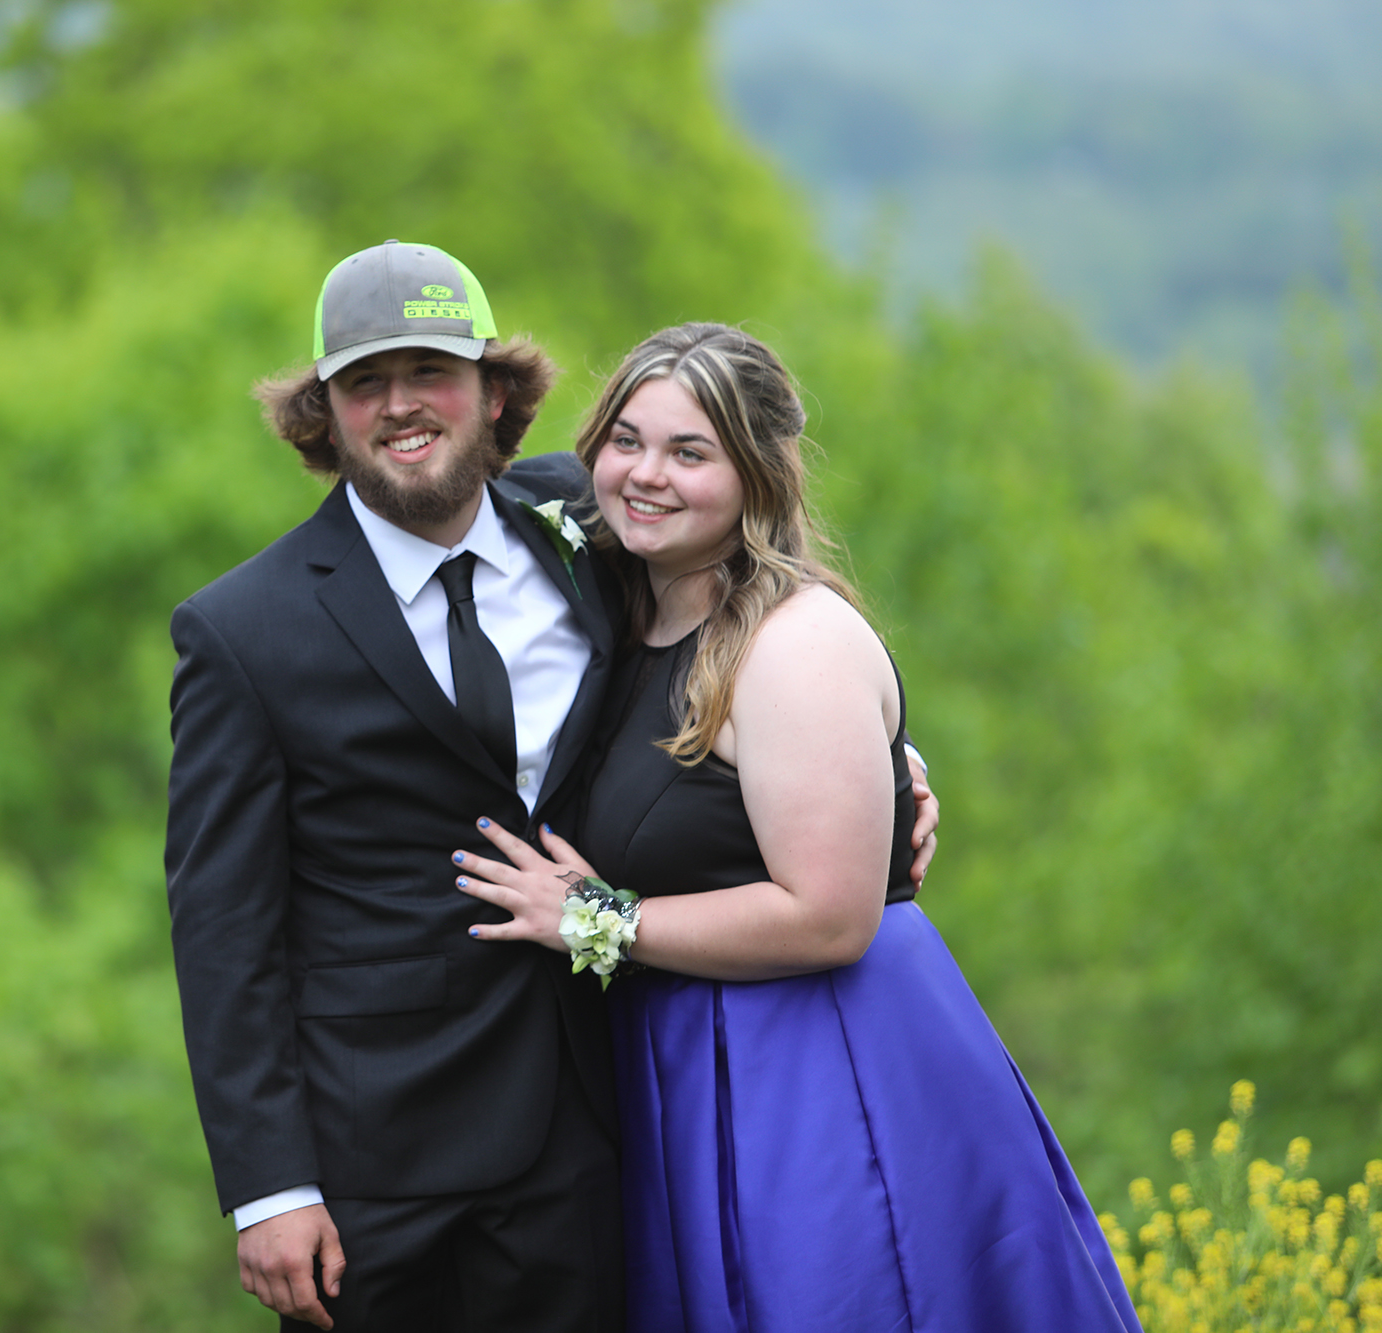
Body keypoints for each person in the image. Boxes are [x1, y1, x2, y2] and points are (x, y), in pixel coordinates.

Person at [165, 244, 939, 1330]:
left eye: (429, 371)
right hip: (374, 1162)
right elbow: (221, 932)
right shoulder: (242, 632)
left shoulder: (592, 524)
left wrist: (882, 772)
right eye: (363, 383)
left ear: (494, 392)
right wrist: (269, 1187)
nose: (399, 406)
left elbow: (747, 639)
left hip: (602, 1120)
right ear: (321, 413)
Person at [452, 323, 1139, 1332]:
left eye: (691, 453)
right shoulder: (607, 580)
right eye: (625, 439)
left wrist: (594, 918)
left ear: (757, 476)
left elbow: (827, 917)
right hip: (684, 1053)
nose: (645, 474)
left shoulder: (791, 642)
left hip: (819, 1060)